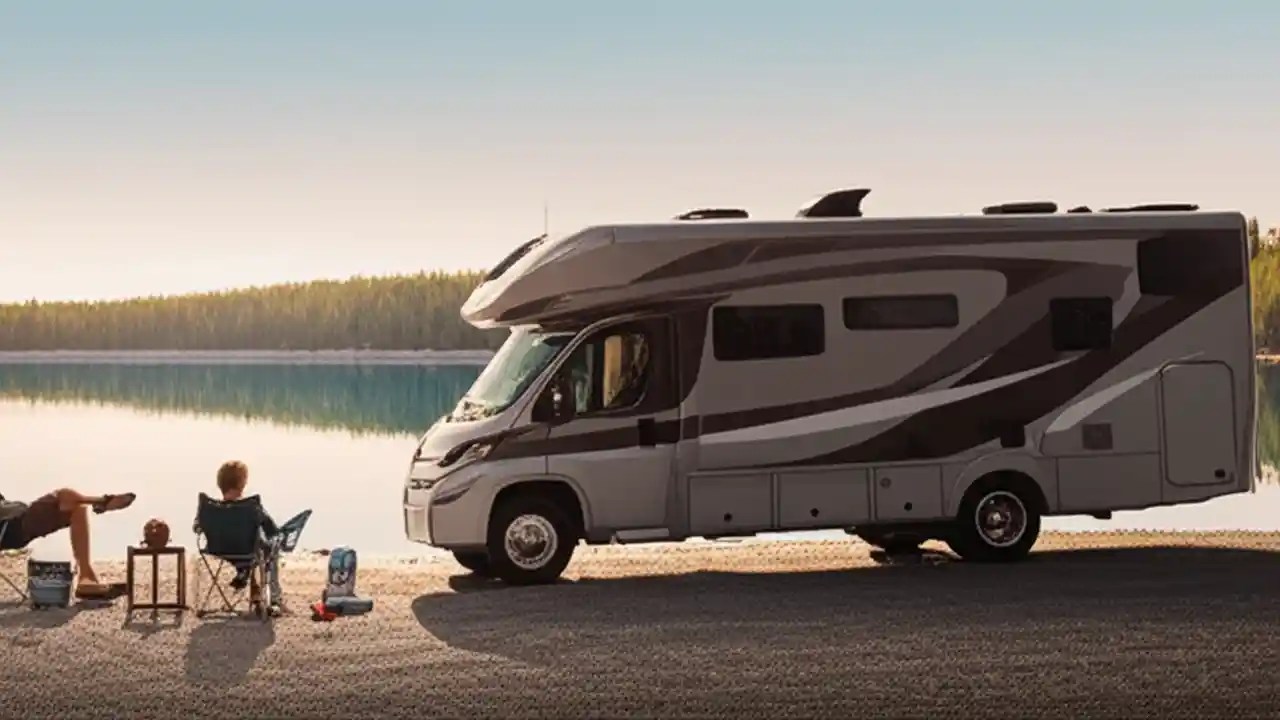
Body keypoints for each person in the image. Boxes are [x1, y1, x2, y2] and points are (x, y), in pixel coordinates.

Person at [0, 488, 136, 598]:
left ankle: (86, 578)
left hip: (17, 522)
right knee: (65, 495)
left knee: (77, 509)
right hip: (11, 528)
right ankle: (101, 501)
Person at [211, 460, 284, 615]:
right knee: (270, 545)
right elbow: (271, 528)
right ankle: (275, 600)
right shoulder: (251, 507)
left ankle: (247, 580)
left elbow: (197, 527)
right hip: (249, 551)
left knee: (253, 546)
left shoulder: (211, 509)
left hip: (220, 549)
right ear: (242, 483)